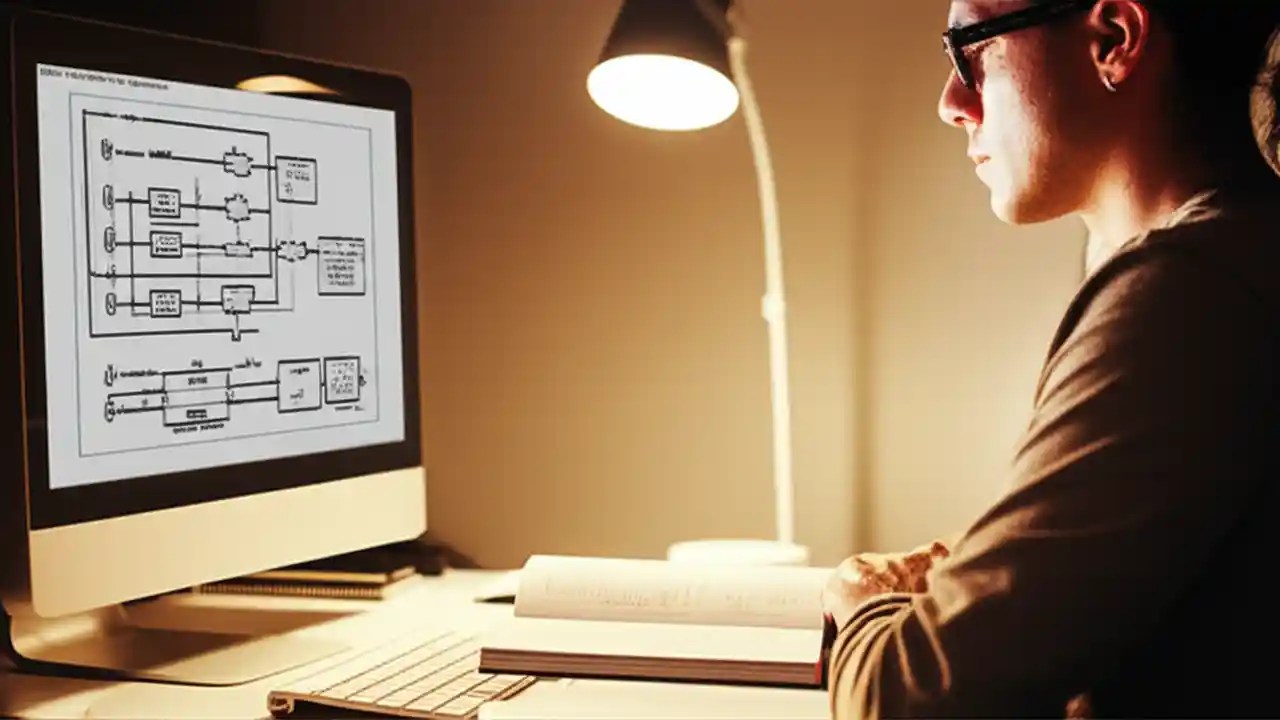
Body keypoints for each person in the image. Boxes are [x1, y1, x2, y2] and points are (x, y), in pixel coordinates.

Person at [821, 0, 1280, 717]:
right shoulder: (1238, 258)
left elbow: (906, 701)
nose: (952, 102)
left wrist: (865, 602)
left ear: (1113, 38)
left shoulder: (1189, 293)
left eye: (969, 47)